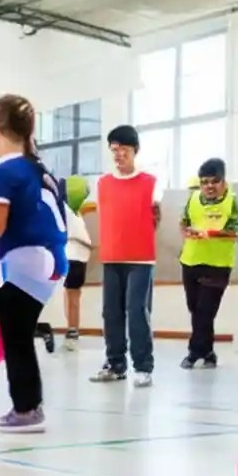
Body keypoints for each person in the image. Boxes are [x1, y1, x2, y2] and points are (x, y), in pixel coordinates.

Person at [0, 93, 67, 433]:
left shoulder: (0, 173)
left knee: (7, 329)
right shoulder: (39, 167)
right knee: (14, 325)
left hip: (27, 260)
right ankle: (28, 406)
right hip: (52, 262)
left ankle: (26, 410)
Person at [80, 125, 163, 388]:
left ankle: (143, 367)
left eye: (123, 149)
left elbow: (156, 218)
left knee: (137, 311)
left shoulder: (151, 182)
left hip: (140, 258)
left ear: (134, 150)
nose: (118, 155)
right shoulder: (102, 183)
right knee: (110, 312)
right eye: (114, 150)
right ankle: (115, 364)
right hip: (111, 257)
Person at [178, 158, 238, 369]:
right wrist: (188, 233)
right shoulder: (193, 199)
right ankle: (209, 352)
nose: (209, 186)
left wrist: (211, 233)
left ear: (223, 181)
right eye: (204, 182)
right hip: (191, 261)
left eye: (214, 181)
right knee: (195, 310)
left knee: (205, 310)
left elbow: (235, 231)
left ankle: (194, 352)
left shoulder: (232, 201)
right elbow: (183, 224)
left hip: (218, 264)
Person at [61, 189, 93, 351]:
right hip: (73, 258)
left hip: (78, 258)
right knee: (72, 296)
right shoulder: (67, 211)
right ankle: (72, 330)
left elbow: (86, 208)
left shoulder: (75, 212)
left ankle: (73, 329)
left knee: (73, 295)